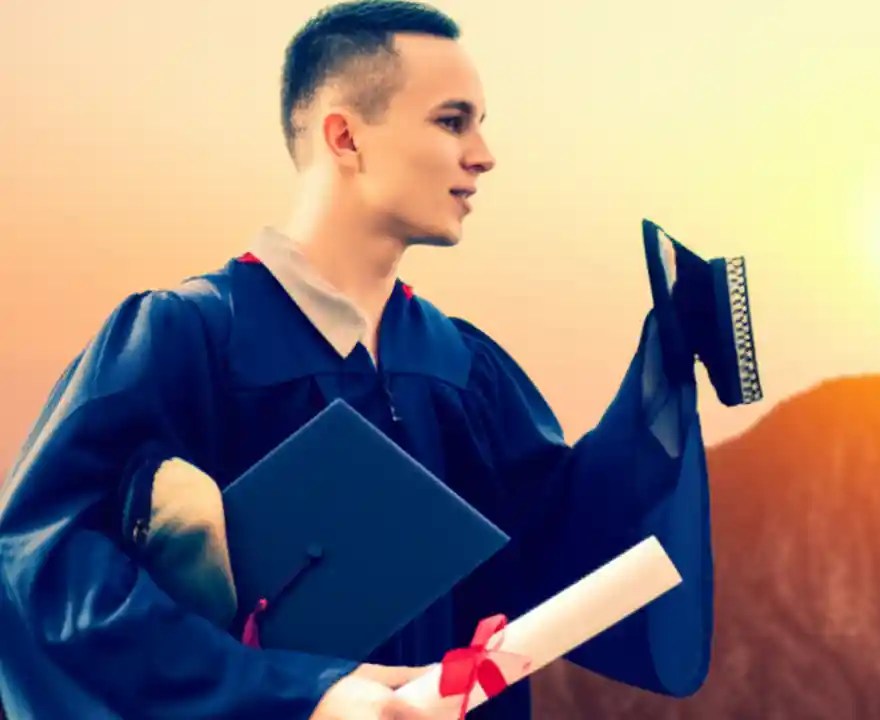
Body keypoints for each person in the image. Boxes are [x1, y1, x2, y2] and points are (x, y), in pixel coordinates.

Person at [0, 1, 758, 718]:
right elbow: (44, 573)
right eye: (451, 121)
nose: (484, 156)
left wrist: (660, 375)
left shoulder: (460, 367)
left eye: (481, 124)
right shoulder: (189, 338)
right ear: (345, 137)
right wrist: (303, 693)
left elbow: (559, 543)